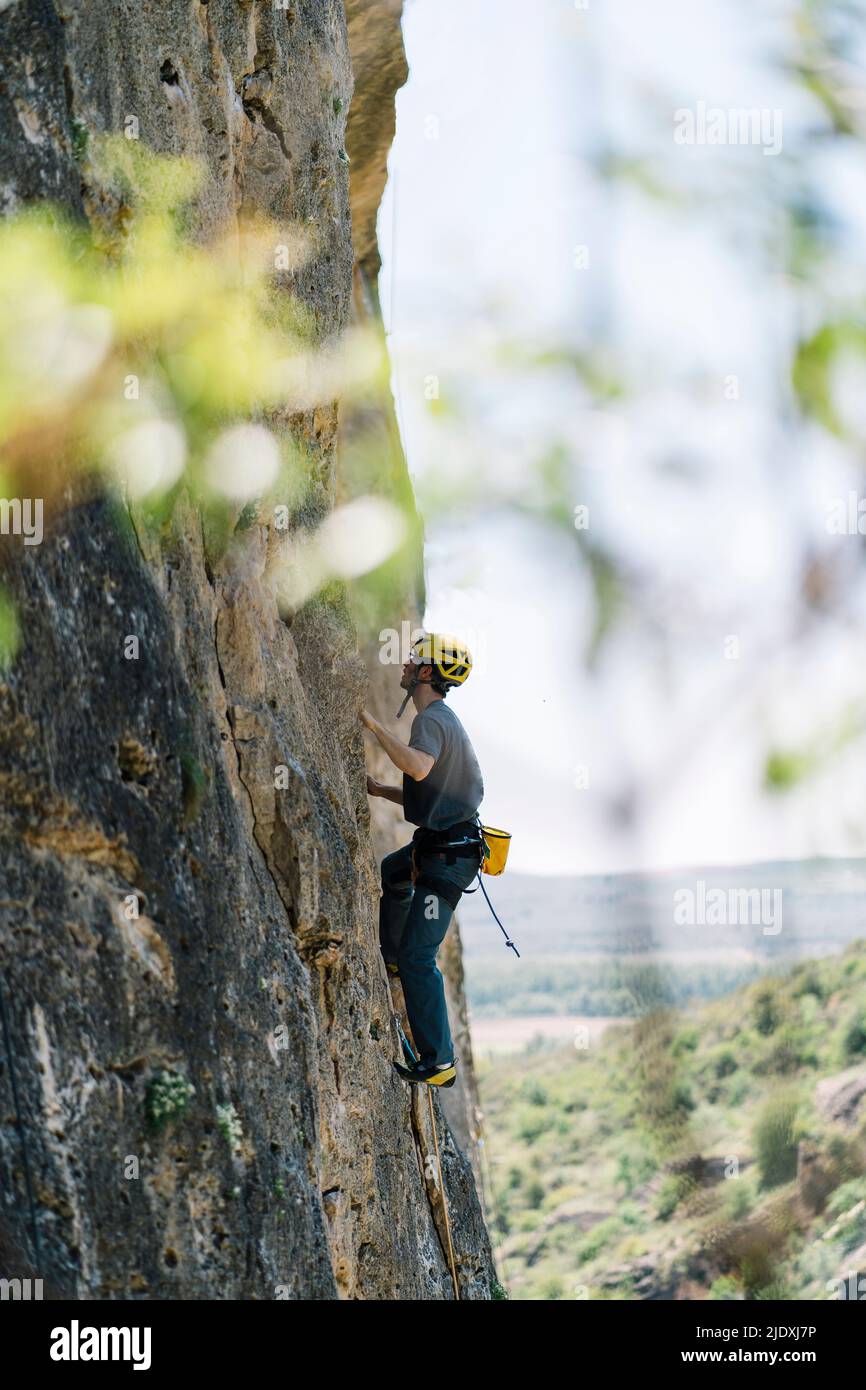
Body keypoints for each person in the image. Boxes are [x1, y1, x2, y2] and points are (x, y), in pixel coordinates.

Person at [360, 632, 484, 1088]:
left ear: (427, 673)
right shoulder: (441, 718)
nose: (406, 665)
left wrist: (373, 727)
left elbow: (417, 767)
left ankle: (438, 1063)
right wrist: (380, 791)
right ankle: (393, 957)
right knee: (394, 872)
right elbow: (428, 789)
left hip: (447, 859)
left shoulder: (431, 720)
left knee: (420, 955)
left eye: (414, 661)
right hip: (443, 846)